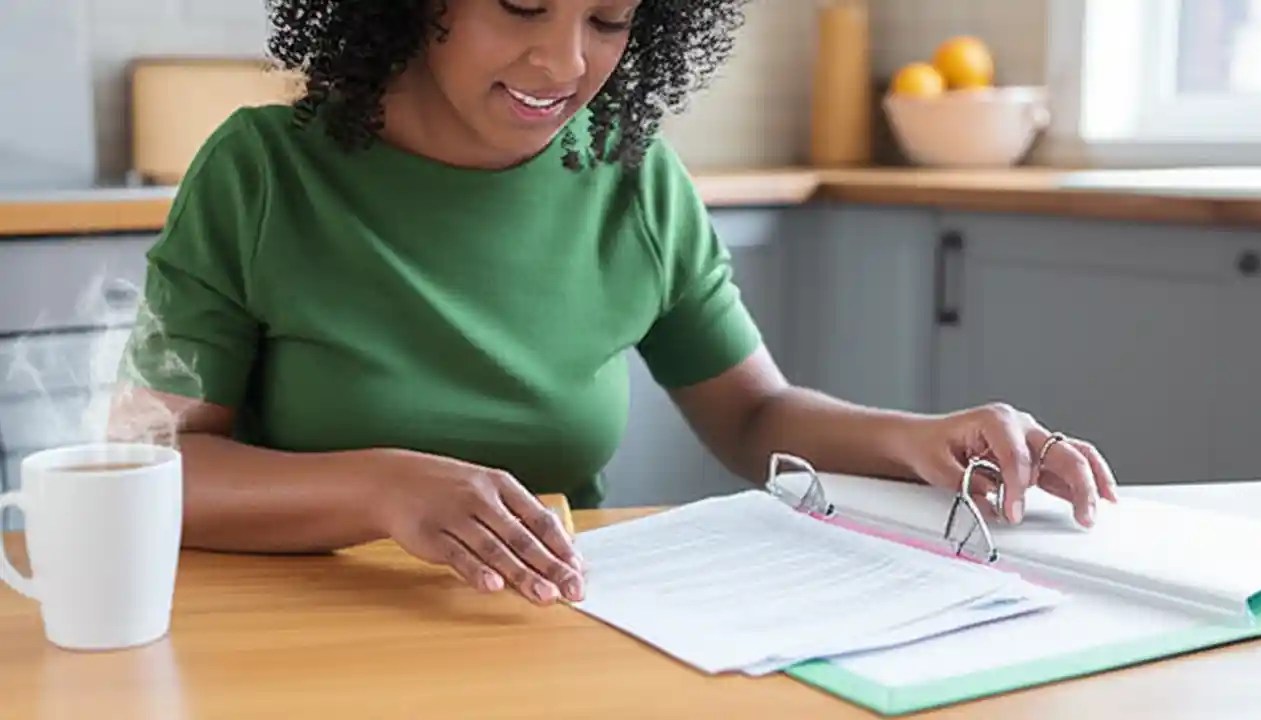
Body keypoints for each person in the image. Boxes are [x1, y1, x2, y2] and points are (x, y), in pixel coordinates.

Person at [111, 0, 1118, 609]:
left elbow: (753, 416)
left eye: (606, 20)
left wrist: (926, 438)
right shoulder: (261, 172)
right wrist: (382, 489)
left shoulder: (630, 178)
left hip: (554, 623)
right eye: (519, 6)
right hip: (305, 627)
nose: (564, 67)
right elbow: (154, 473)